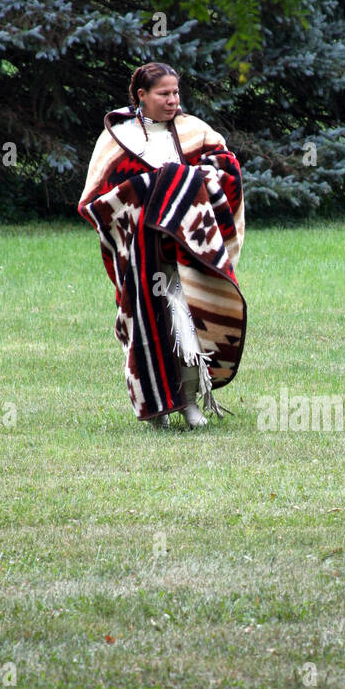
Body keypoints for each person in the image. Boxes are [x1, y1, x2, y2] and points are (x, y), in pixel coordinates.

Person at [78, 62, 246, 429]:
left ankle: (188, 404)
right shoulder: (116, 140)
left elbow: (228, 171)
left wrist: (182, 183)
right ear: (141, 96)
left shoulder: (194, 131)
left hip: (189, 249)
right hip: (141, 253)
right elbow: (96, 201)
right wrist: (149, 191)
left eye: (176, 93)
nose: (173, 101)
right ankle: (157, 408)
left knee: (188, 325)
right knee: (148, 322)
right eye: (164, 94)